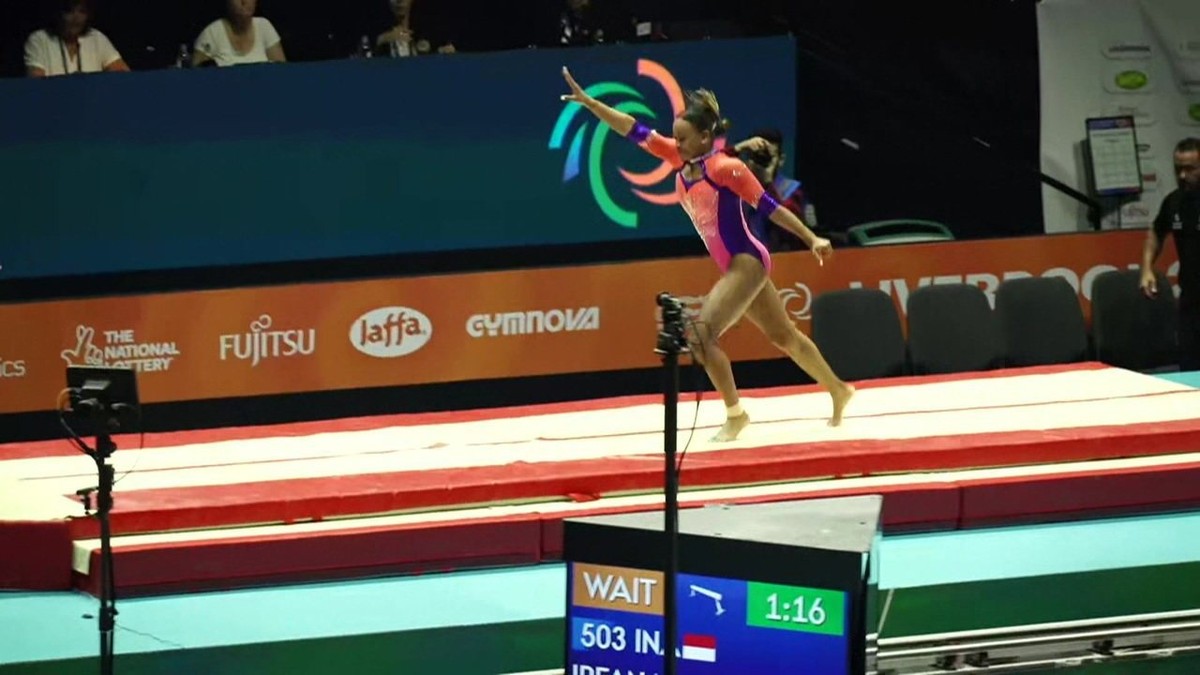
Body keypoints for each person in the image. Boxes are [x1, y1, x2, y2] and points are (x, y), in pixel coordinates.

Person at [560, 67, 855, 440]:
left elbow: (769, 207)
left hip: (747, 260)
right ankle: (839, 389)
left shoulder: (727, 169)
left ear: (704, 138)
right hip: (733, 265)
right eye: (674, 137)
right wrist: (590, 103)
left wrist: (811, 238)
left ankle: (735, 415)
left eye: (683, 138)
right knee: (784, 337)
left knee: (700, 336)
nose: (676, 144)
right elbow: (631, 129)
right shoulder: (681, 160)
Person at [1141, 137, 1200, 370]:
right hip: (1191, 304)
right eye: (1178, 169)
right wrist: (1146, 268)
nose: (1183, 176)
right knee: (1189, 373)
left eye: (1190, 169)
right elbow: (1155, 233)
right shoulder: (1174, 202)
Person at [24, 0, 129, 77]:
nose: (76, 17)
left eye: (82, 11)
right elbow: (36, 85)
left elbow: (124, 75)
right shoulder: (39, 39)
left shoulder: (96, 38)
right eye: (69, 11)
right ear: (58, 14)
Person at [193, 0, 286, 68]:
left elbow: (283, 71)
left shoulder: (264, 26)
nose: (244, 1)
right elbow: (196, 76)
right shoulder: (212, 32)